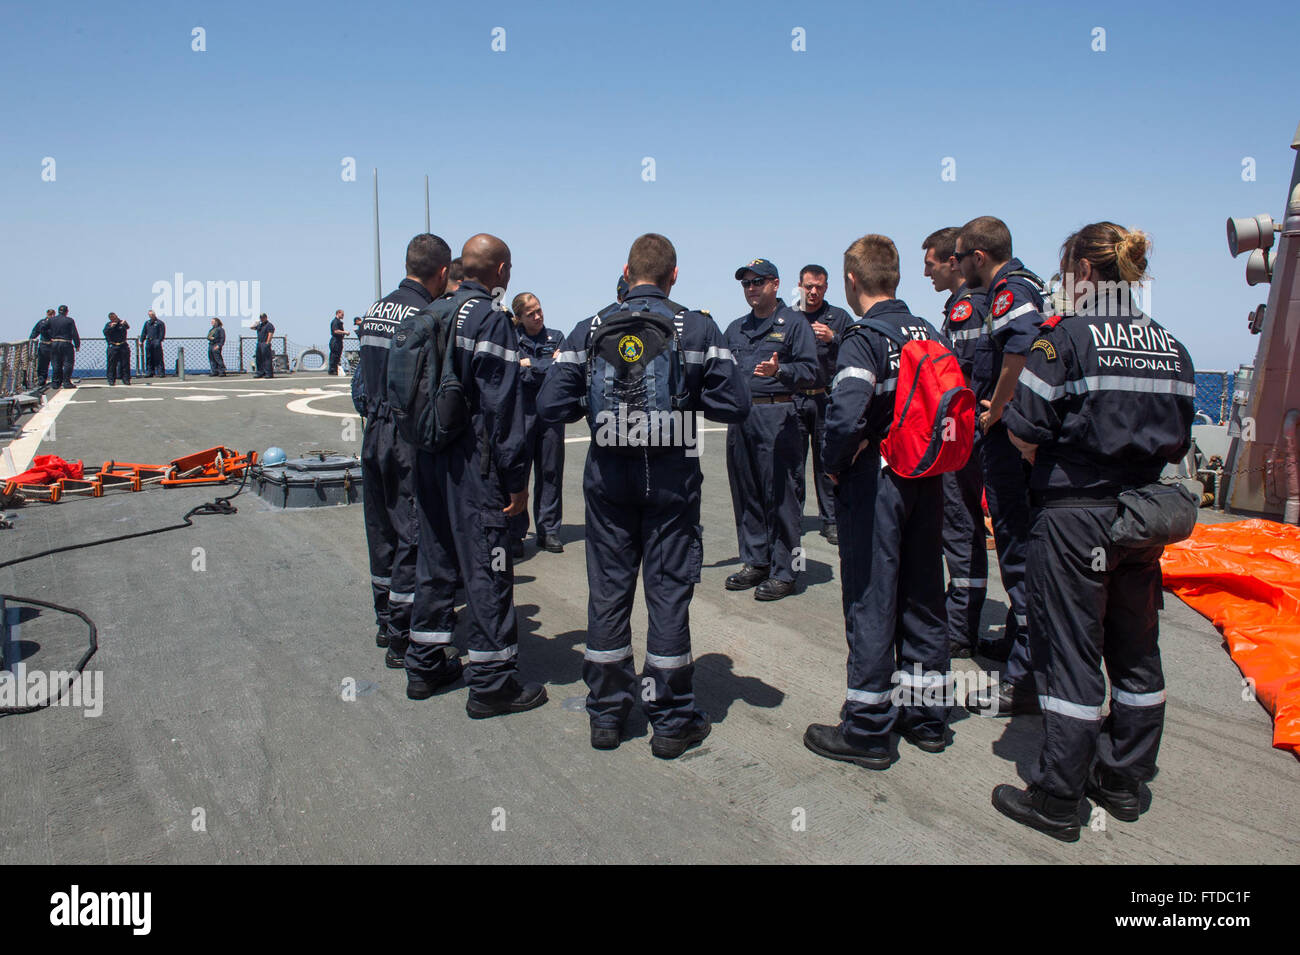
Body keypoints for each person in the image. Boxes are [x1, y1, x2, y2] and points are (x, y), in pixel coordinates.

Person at [991, 223, 1195, 841]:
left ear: (1083, 270)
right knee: (1136, 649)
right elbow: (1181, 437)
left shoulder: (1067, 340)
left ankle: (1058, 796)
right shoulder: (1173, 347)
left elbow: (1023, 427)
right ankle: (1125, 780)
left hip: (1076, 516)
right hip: (1143, 515)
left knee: (1071, 655)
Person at [537, 233, 750, 756]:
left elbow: (550, 405)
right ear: (673, 275)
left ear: (627, 272)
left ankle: (607, 715)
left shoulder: (590, 328)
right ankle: (672, 722)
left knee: (609, 592)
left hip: (609, 473)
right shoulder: (697, 326)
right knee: (668, 594)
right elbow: (737, 403)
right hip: (672, 474)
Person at [803, 234, 951, 770]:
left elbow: (843, 416)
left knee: (870, 596)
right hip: (926, 479)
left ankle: (867, 727)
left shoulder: (864, 336)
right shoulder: (928, 330)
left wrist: (835, 466)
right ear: (896, 277)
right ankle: (927, 717)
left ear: (850, 280)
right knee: (923, 593)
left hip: (880, 482)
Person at [405, 233, 547, 717]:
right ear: (501, 271)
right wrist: (516, 481)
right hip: (473, 464)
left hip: (427, 457)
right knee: (490, 568)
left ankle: (423, 663)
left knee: (436, 557)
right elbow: (503, 409)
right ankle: (491, 684)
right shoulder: (490, 320)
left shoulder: (433, 312)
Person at [955, 216, 1047, 715]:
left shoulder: (1010, 290)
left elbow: (1019, 348)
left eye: (961, 256)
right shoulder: (1022, 285)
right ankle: (1018, 643)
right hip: (1013, 437)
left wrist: (997, 407)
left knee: (1016, 549)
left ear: (979, 257)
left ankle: (1025, 679)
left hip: (1008, 441)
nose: (957, 265)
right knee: (1016, 545)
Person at [352, 235, 444, 674]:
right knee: (411, 529)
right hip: (405, 432)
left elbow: (358, 381)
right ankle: (403, 633)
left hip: (372, 428)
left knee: (380, 526)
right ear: (442, 273)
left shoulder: (374, 311)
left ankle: (385, 619)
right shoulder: (423, 316)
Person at [723, 259, 818, 601]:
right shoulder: (734, 329)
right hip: (742, 420)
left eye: (757, 282)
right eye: (746, 283)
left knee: (783, 499)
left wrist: (782, 371)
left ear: (775, 284)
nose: (751, 288)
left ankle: (788, 570)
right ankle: (756, 561)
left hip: (780, 418)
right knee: (747, 494)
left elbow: (811, 371)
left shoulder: (794, 325)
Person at [923, 227, 990, 659]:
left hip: (967, 436)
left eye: (930, 264)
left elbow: (962, 379)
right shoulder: (978, 304)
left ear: (953, 261)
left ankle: (961, 626)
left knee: (961, 529)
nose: (926, 273)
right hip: (985, 433)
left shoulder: (967, 309)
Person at [793, 265, 851, 545]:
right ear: (800, 286)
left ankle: (831, 520)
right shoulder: (787, 317)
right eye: (808, 286)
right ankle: (792, 518)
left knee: (826, 462)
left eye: (819, 287)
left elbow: (856, 349)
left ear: (826, 288)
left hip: (826, 399)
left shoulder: (838, 317)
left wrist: (834, 338)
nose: (813, 292)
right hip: (794, 398)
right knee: (792, 462)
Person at [509, 292, 566, 557]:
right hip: (522, 414)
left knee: (551, 472)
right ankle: (515, 533)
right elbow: (513, 373)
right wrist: (544, 365)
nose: (538, 316)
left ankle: (548, 530)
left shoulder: (557, 337)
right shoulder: (511, 339)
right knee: (518, 474)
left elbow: (560, 371)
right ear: (519, 317)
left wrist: (532, 363)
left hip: (550, 415)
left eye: (539, 310)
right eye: (530, 313)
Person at [47, 305, 80, 389]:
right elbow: (74, 333)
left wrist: (50, 337)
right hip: (66, 343)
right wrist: (77, 345)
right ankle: (66, 382)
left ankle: (55, 383)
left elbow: (43, 328)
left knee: (56, 363)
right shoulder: (69, 320)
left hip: (54, 343)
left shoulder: (51, 320)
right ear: (66, 311)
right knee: (68, 363)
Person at [104, 312, 132, 385]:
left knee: (125, 364)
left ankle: (126, 379)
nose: (114, 320)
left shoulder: (121, 323)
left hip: (123, 345)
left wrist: (125, 323)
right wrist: (111, 327)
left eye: (115, 318)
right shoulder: (109, 325)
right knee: (112, 364)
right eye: (112, 319)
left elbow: (128, 327)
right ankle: (111, 380)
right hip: (113, 346)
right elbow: (105, 332)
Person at [30, 310, 54, 387]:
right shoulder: (42, 322)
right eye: (49, 314)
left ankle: (55, 380)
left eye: (52, 314)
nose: (50, 316)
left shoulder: (55, 323)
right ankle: (41, 380)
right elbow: (35, 331)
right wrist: (31, 339)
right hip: (44, 344)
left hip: (53, 345)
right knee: (42, 364)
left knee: (56, 364)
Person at [140, 310, 166, 378]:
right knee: (149, 357)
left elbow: (162, 333)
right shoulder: (147, 323)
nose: (151, 316)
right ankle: (150, 372)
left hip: (156, 341)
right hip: (149, 341)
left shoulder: (160, 323)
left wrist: (159, 340)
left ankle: (160, 372)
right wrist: (141, 340)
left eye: (152, 314)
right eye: (149, 315)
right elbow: (144, 332)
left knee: (158, 357)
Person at [253, 313, 275, 378]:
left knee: (267, 359)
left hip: (265, 343)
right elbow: (252, 328)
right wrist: (256, 324)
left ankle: (269, 373)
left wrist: (267, 342)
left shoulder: (269, 325)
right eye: (261, 318)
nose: (262, 319)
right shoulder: (260, 325)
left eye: (263, 317)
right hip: (259, 343)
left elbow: (270, 333)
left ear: (266, 317)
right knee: (258, 358)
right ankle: (260, 372)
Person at [328, 310, 346, 375]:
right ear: (338, 313)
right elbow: (335, 331)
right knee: (334, 355)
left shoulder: (339, 322)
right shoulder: (335, 322)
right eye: (342, 314)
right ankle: (332, 370)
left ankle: (335, 369)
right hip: (335, 340)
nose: (343, 316)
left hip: (338, 340)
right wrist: (345, 332)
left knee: (337, 355)